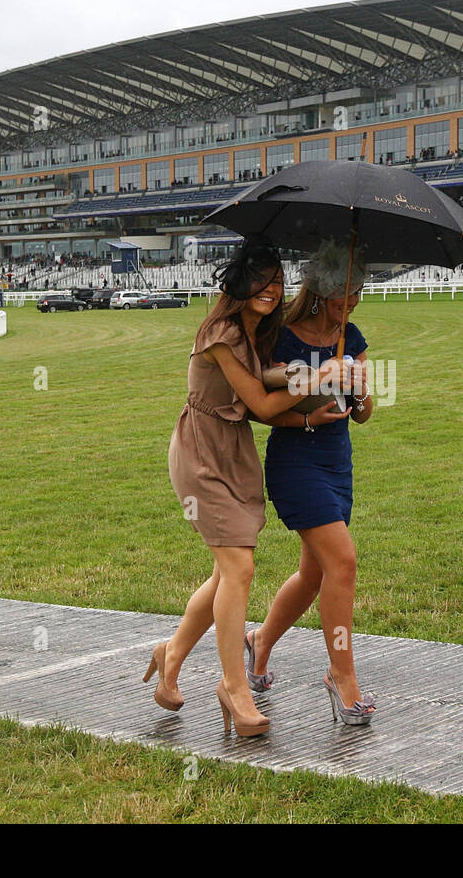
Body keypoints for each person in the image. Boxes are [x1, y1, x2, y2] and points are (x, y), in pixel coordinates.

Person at [147, 235, 344, 738]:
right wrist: (315, 378)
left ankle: (170, 655)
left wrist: (309, 375)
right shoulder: (221, 333)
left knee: (223, 576)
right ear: (239, 284)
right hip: (200, 452)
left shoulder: (256, 332)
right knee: (240, 567)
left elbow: (267, 378)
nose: (271, 290)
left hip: (233, 450)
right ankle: (234, 686)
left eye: (277, 281)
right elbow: (258, 403)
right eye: (260, 280)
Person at [245, 242, 378, 725]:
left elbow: (362, 416)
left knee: (314, 574)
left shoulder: (353, 335)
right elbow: (258, 409)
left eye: (359, 291)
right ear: (320, 291)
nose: (354, 301)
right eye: (346, 292)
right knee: (343, 560)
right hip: (295, 464)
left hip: (337, 464)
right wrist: (307, 416)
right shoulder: (282, 339)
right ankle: (341, 676)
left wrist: (362, 394)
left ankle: (259, 643)